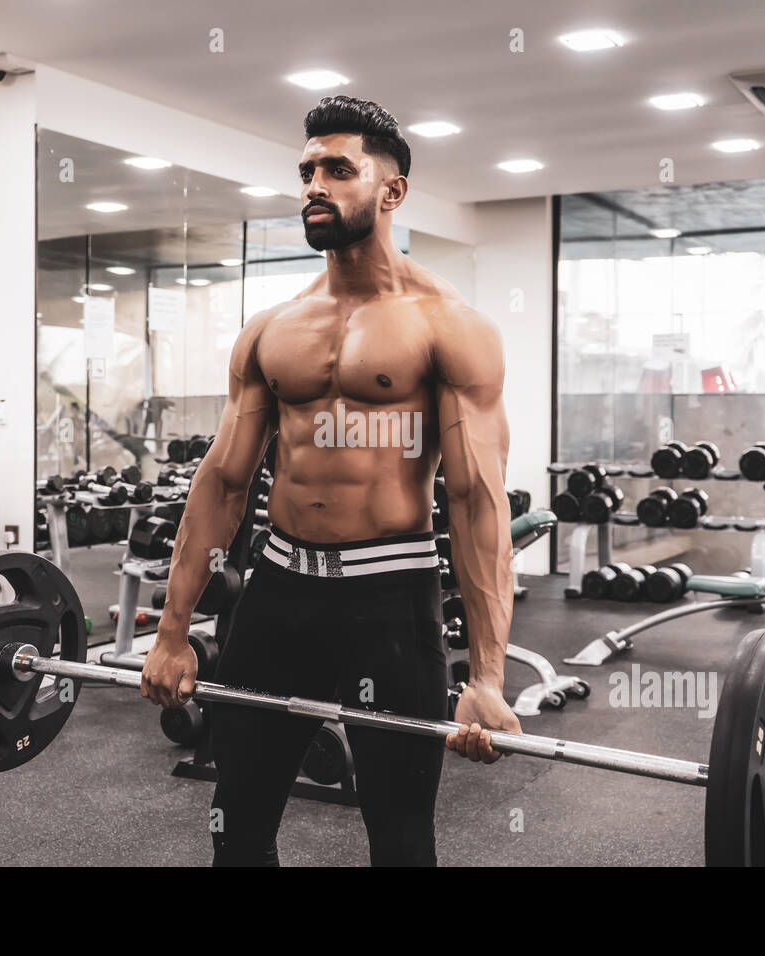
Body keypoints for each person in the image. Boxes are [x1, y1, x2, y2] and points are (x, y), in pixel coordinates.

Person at [142, 95, 519, 866]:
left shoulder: (449, 326)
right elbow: (222, 482)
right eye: (307, 170)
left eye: (338, 169)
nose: (315, 184)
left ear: (392, 191)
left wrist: (485, 674)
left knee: (400, 833)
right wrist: (173, 631)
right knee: (236, 823)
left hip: (391, 601)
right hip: (276, 593)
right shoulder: (273, 330)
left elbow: (476, 498)